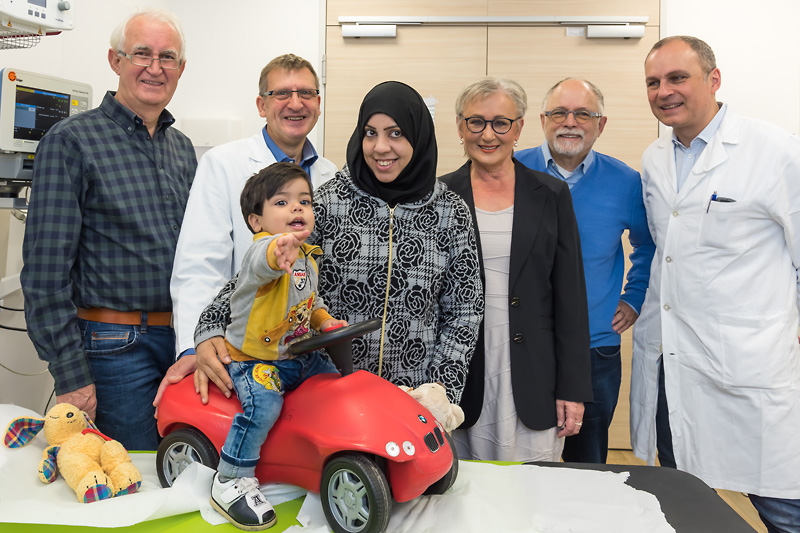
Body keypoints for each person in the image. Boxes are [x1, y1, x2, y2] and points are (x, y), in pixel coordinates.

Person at [190, 81, 483, 407]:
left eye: (396, 133)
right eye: (370, 133)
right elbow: (259, 272)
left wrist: (440, 393)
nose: (380, 147)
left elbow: (464, 312)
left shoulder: (450, 212)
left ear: (418, 136)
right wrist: (208, 329)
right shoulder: (328, 202)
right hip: (329, 396)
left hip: (413, 401)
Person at [633, 35, 800, 532]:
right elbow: (669, 253)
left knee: (783, 507)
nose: (664, 91)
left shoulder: (773, 150)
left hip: (750, 365)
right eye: (653, 82)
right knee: (680, 497)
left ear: (714, 79)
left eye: (677, 77)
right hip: (673, 361)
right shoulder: (654, 159)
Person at [20, 8, 196, 451]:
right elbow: (44, 275)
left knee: (181, 472)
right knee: (130, 475)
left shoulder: (183, 150)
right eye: (141, 53)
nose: (155, 68)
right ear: (115, 60)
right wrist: (71, 374)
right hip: (114, 348)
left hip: (181, 344)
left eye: (167, 57)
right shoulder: (71, 141)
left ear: (181, 69)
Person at [163, 53, 338, 392]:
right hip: (241, 353)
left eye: (305, 93)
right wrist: (196, 341)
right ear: (261, 104)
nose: (295, 103)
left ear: (318, 103)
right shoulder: (223, 163)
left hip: (303, 353)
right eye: (282, 94)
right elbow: (199, 266)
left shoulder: (331, 175)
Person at [441, 77, 592, 462]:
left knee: (534, 497)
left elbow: (571, 298)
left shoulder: (552, 195)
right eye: (476, 122)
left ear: (519, 128)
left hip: (534, 372)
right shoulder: (438, 197)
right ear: (460, 128)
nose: (488, 134)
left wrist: (572, 388)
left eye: (500, 123)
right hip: (461, 372)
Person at [515, 78, 655, 464]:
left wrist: (634, 296)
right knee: (521, 458)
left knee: (588, 460)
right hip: (525, 343)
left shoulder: (625, 182)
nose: (569, 122)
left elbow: (648, 244)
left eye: (582, 114)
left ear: (601, 124)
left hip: (595, 348)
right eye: (559, 113)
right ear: (542, 120)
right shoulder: (512, 171)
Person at [207, 162, 345, 531]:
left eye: (304, 201)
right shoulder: (262, 250)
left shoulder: (306, 257)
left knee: (335, 390)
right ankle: (230, 478)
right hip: (255, 359)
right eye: (282, 202)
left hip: (298, 354)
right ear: (256, 221)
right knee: (262, 407)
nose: (297, 208)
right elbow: (263, 263)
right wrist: (277, 248)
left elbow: (310, 302)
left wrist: (324, 322)